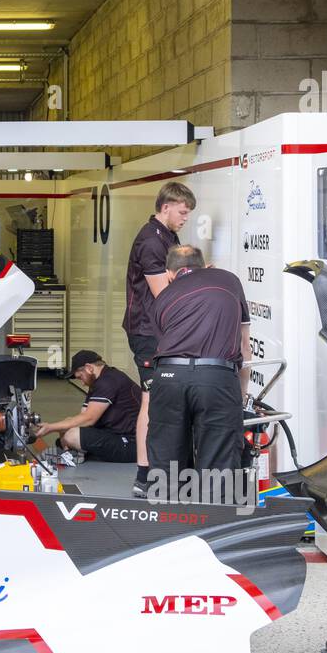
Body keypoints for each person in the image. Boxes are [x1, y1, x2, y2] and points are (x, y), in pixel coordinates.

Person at [147, 245, 251, 503]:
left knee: (166, 456)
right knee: (220, 460)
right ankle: (217, 530)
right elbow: (244, 347)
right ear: (206, 266)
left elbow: (165, 347)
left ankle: (167, 528)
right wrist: (241, 396)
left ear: (169, 274)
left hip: (169, 376)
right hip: (216, 376)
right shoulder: (229, 280)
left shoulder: (161, 300)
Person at [122, 180, 196, 496]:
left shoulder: (168, 236)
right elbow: (163, 294)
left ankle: (162, 470)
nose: (185, 218)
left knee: (161, 401)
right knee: (151, 402)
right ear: (165, 207)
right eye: (182, 212)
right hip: (147, 333)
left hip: (159, 332)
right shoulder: (151, 242)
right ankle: (144, 475)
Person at [33, 350, 141, 463]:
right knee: (67, 425)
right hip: (114, 433)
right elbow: (83, 415)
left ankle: (72, 455)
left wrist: (51, 428)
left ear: (89, 368)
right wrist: (61, 428)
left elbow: (89, 419)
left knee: (71, 436)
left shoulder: (108, 381)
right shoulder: (98, 381)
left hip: (132, 444)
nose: (83, 383)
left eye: (80, 377)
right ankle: (73, 453)